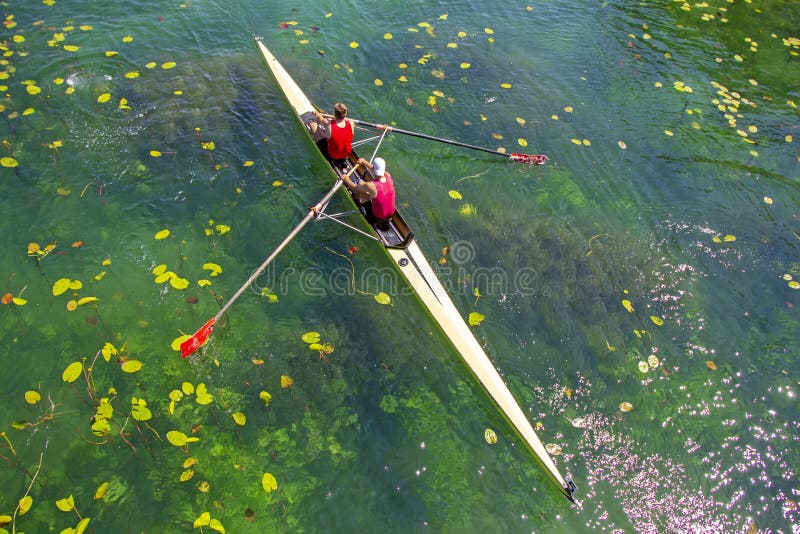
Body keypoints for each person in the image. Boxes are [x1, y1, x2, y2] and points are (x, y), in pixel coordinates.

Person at [340, 157, 395, 223]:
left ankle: (358, 203)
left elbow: (354, 188)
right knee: (365, 186)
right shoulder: (388, 175)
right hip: (391, 215)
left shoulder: (371, 185)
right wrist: (364, 162)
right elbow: (374, 168)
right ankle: (386, 219)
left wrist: (346, 179)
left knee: (361, 190)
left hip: (376, 218)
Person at [309, 102, 354, 167]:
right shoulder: (351, 123)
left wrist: (316, 113)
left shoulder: (328, 122)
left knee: (313, 125)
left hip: (331, 156)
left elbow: (320, 118)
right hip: (346, 155)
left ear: (334, 113)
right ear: (346, 113)